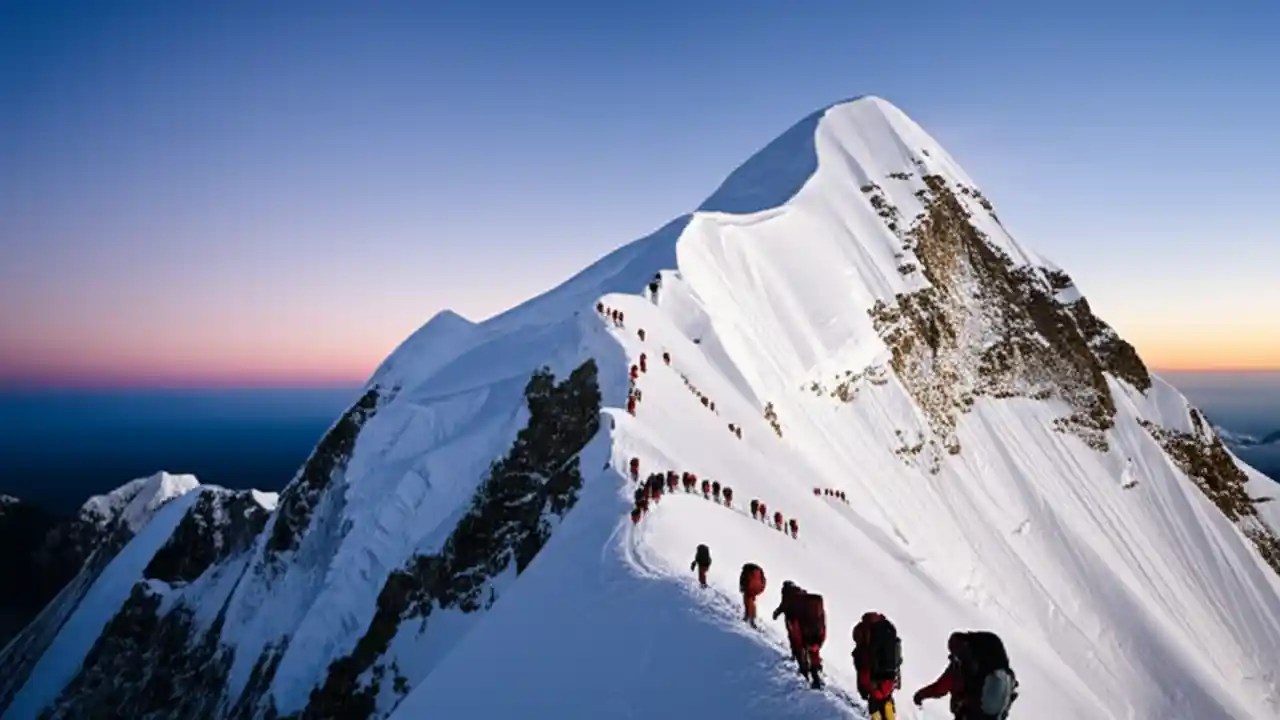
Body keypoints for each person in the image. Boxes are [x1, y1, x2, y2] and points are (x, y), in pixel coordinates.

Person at [913, 632, 1017, 720]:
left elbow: (941, 687)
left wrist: (920, 695)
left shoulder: (961, 666)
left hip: (969, 714)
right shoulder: (989, 658)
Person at [773, 582, 826, 688]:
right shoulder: (808, 601)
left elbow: (794, 632)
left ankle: (805, 672)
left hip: (800, 629)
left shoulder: (789, 599)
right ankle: (816, 675)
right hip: (816, 630)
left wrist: (776, 614)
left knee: (799, 648)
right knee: (813, 651)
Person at [853, 612, 902, 720]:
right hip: (890, 677)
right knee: (886, 702)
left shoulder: (865, 647)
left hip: (875, 682)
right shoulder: (888, 629)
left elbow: (864, 670)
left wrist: (863, 689)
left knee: (875, 708)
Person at [739, 563, 766, 627]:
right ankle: (751, 618)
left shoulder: (746, 571)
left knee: (747, 600)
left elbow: (743, 580)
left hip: (749, 588)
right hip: (757, 588)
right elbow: (764, 580)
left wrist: (742, 588)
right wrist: (761, 589)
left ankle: (749, 618)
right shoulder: (759, 571)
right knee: (751, 601)